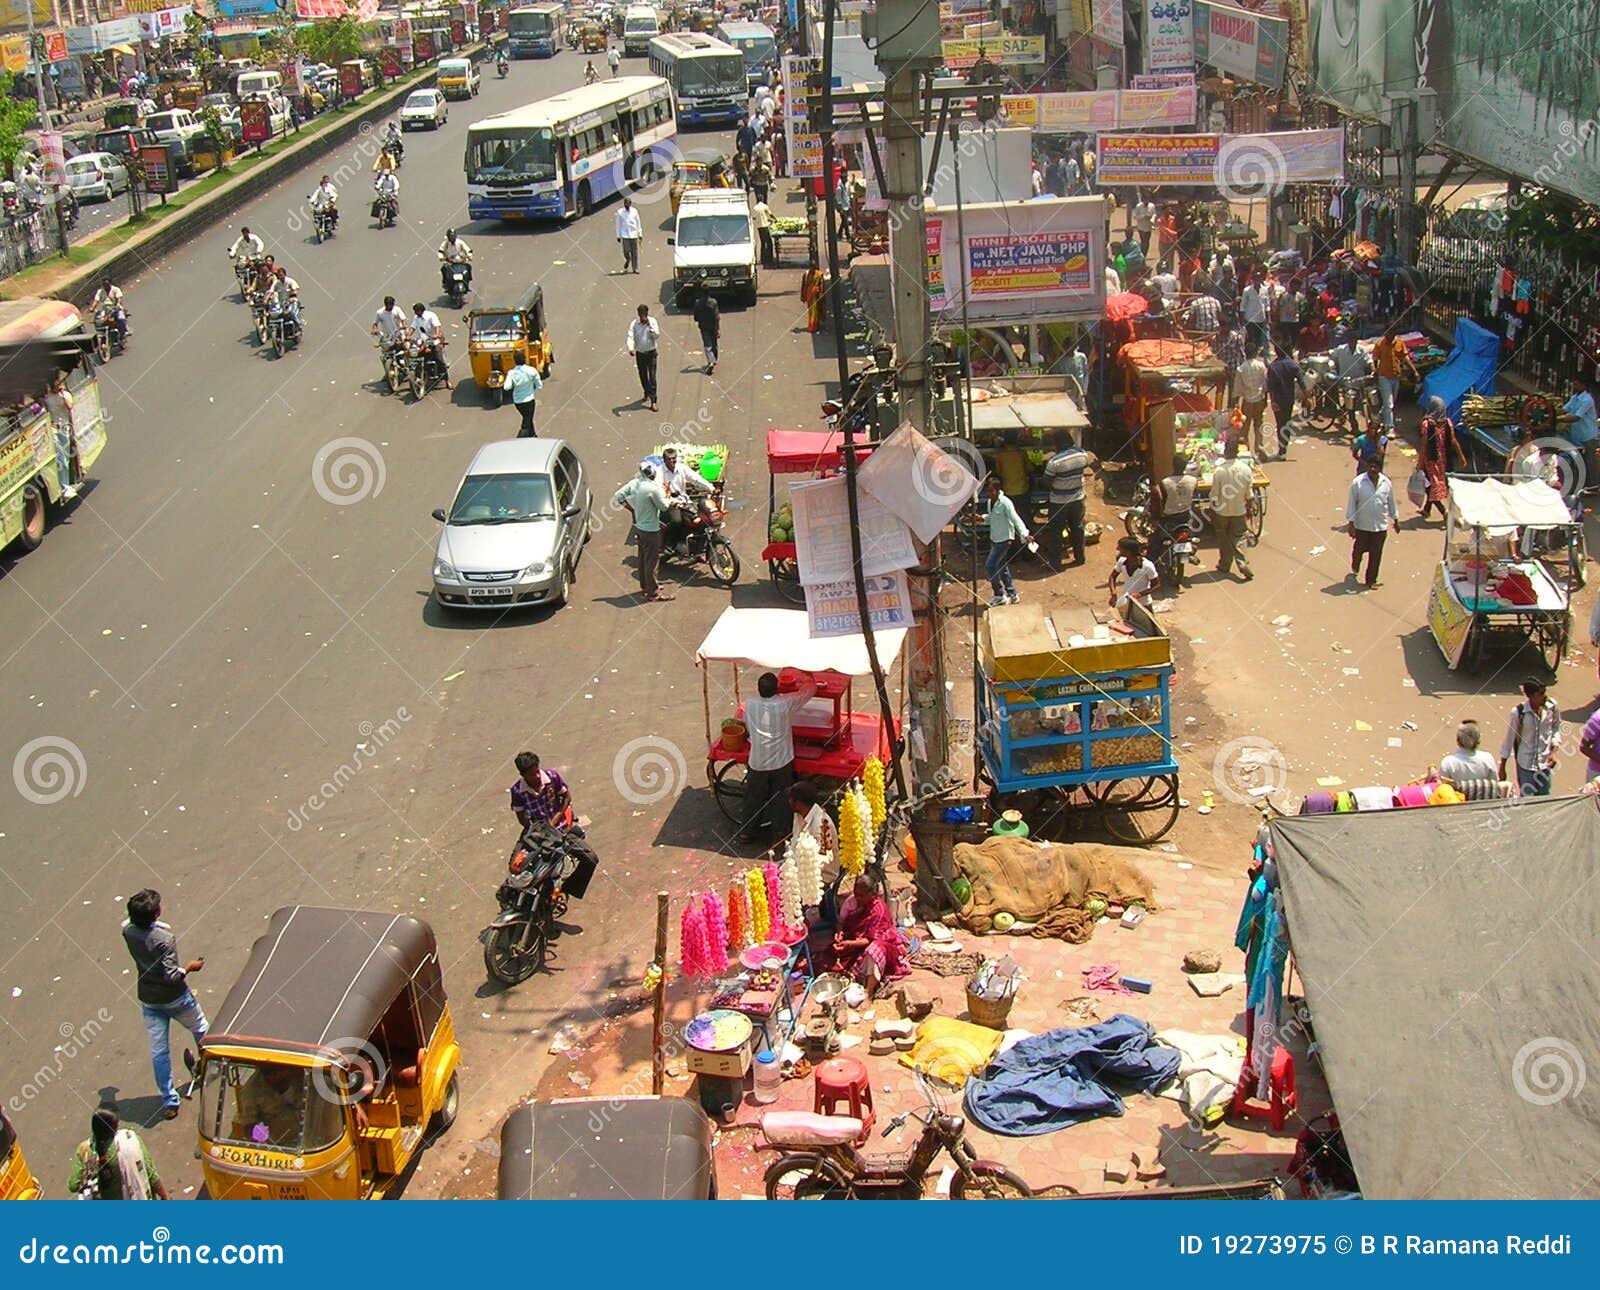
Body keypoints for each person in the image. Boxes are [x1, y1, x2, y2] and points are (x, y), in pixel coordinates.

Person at [122, 889, 206, 1120]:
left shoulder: (128, 932)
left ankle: (170, 1100)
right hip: (176, 999)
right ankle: (208, 1066)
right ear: (157, 913)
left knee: (159, 1052)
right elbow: (171, 976)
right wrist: (189, 967)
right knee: (201, 1029)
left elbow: (128, 924)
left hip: (149, 999)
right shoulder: (164, 940)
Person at [738, 670, 817, 843]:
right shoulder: (784, 703)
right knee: (781, 799)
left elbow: (747, 724)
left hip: (757, 760)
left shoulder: (750, 704)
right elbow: (810, 690)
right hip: (781, 761)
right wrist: (807, 674)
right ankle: (780, 835)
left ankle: (747, 831)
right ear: (777, 689)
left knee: (753, 796)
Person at [829, 874, 908, 997]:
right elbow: (842, 923)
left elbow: (870, 940)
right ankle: (861, 970)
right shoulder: (852, 902)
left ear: (872, 894)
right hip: (857, 941)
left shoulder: (878, 910)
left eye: (861, 895)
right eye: (855, 893)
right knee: (829, 954)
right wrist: (839, 933)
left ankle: (869, 991)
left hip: (882, 944)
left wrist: (849, 944)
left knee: (874, 950)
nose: (857, 897)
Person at [68, 1109, 167, 1200]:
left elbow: (73, 1186)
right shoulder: (131, 1141)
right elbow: (151, 1175)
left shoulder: (84, 1150)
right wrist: (164, 1196)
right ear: (115, 1127)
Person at [612, 463, 673, 601]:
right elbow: (663, 507)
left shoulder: (635, 484)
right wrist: (668, 494)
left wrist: (631, 510)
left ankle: (646, 586)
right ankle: (653, 593)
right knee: (652, 561)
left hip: (639, 527)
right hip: (651, 530)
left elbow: (618, 496)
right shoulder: (652, 488)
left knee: (643, 558)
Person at [1497, 679, 1562, 797]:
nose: (1544, 696)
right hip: (1525, 766)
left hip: (1544, 765)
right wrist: (1502, 767)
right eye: (1540, 694)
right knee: (1527, 802)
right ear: (1531, 696)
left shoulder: (1552, 707)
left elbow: (1556, 728)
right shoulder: (1519, 713)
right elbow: (1509, 740)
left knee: (1544, 800)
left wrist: (1554, 751)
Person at [1041, 435, 1095, 567]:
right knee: (1077, 528)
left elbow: (1046, 483)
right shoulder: (1082, 454)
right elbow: (1086, 465)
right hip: (1077, 498)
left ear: (1057, 445)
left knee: (1056, 532)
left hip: (1058, 501)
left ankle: (1055, 564)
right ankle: (1080, 558)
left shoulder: (1054, 462)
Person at [1345, 456, 1398, 589]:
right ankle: (1355, 564)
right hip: (1362, 525)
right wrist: (1351, 523)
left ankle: (1371, 580)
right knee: (1358, 550)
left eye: (1375, 467)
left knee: (1376, 554)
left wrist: (1395, 519)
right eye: (1370, 466)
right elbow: (1352, 503)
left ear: (1380, 468)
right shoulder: (1358, 482)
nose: (1372, 469)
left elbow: (1391, 502)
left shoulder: (1386, 483)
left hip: (1380, 526)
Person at [1210, 438, 1255, 581]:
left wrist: (1212, 509)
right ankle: (1242, 563)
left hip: (1222, 511)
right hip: (1239, 510)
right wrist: (1249, 507)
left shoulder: (1219, 471)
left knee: (1223, 536)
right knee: (1240, 537)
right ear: (1237, 452)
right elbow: (1249, 495)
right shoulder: (1246, 469)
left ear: (1225, 452)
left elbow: (1214, 494)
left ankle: (1225, 564)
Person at [1417, 396, 1464, 521]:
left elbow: (1424, 445)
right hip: (1444, 460)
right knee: (1435, 485)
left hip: (1430, 460)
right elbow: (1453, 441)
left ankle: (1444, 511)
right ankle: (1427, 509)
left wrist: (1420, 462)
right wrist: (1461, 456)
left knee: (1429, 486)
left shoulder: (1426, 424)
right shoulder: (1447, 422)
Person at [982, 476, 1028, 606]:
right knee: (1002, 567)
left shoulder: (1005, 503)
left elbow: (1015, 519)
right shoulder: (991, 502)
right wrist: (981, 518)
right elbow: (991, 518)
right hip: (995, 538)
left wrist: (1025, 533)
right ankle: (1013, 594)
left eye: (992, 491)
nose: (989, 494)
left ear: (998, 490)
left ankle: (999, 594)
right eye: (988, 491)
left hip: (1004, 540)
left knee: (990, 566)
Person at [1371, 324, 1419, 434]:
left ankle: (1378, 419)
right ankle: (1389, 428)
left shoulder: (1400, 343)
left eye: (1392, 333)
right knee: (1389, 403)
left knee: (1391, 402)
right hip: (1384, 376)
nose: (1390, 336)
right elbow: (1375, 358)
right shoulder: (1380, 344)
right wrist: (1376, 371)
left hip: (1396, 376)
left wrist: (1414, 371)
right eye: (1388, 333)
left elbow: (1405, 357)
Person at [510, 750, 571, 829]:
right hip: (538, 832)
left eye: (537, 771)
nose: (537, 776)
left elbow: (567, 797)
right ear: (523, 775)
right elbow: (521, 817)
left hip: (561, 825)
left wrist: (554, 821)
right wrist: (535, 829)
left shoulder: (552, 776)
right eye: (532, 775)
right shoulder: (517, 791)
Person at [1438, 720, 1499, 791]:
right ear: (1478, 740)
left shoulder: (1448, 763)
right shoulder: (1488, 759)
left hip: (1458, 801)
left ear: (1457, 740)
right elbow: (1495, 785)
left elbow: (1442, 789)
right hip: (1483, 800)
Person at [1108, 536, 1158, 619]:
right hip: (1127, 604)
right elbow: (1112, 577)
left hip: (1144, 605)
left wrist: (1139, 594)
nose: (1117, 549)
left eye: (1120, 548)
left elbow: (1156, 585)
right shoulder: (1122, 561)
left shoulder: (1147, 566)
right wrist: (1113, 594)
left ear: (1128, 552)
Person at [1563, 374, 1597, 494]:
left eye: (1577, 384)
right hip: (1577, 436)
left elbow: (1576, 417)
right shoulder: (1574, 398)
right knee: (1579, 461)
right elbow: (1564, 409)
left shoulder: (1587, 400)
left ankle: (1594, 487)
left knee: (1590, 462)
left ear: (1583, 385)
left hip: (1588, 436)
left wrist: (1557, 419)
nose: (1574, 386)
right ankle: (1582, 484)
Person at [1235, 347, 1270, 460]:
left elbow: (1238, 388)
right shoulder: (1261, 366)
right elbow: (1265, 384)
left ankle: (1246, 450)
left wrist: (1236, 403)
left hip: (1247, 401)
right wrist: (1265, 399)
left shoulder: (1241, 368)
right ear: (1255, 353)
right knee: (1258, 424)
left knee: (1245, 426)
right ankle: (1259, 448)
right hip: (1259, 399)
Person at [1265, 347, 1300, 459]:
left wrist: (1273, 401)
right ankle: (1284, 448)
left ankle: (1282, 449)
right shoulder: (1293, 365)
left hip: (1278, 400)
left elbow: (1270, 386)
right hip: (1289, 399)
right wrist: (1306, 396)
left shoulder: (1272, 367)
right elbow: (1301, 381)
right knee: (1287, 422)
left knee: (1280, 424)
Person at [789, 779, 837, 860]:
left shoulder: (821, 824)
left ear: (798, 803)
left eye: (790, 798)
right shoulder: (798, 815)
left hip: (819, 870)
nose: (788, 801)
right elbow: (794, 845)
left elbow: (821, 859)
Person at [626, 303, 660, 410]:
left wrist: (649, 325)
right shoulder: (634, 324)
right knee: (643, 376)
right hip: (640, 354)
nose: (642, 316)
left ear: (647, 313)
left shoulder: (653, 321)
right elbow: (630, 336)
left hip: (651, 353)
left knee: (652, 377)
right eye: (640, 314)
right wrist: (630, 348)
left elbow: (657, 335)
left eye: (644, 314)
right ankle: (647, 391)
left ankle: (653, 401)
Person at [409, 301, 450, 388]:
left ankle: (447, 381)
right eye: (415, 312)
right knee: (415, 356)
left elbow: (437, 326)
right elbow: (412, 327)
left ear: (421, 310)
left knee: (440, 361)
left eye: (416, 311)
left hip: (434, 341)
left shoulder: (431, 316)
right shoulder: (416, 318)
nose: (415, 313)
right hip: (423, 342)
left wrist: (437, 334)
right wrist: (408, 336)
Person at [504, 354, 542, 436]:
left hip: (518, 402)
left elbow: (507, 387)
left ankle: (533, 436)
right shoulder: (531, 370)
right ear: (525, 359)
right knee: (526, 422)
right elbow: (539, 385)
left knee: (528, 419)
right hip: (529, 400)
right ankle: (520, 438)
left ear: (515, 361)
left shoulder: (511, 373)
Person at [90, 277, 127, 345]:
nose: (106, 286)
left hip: (115, 308)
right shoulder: (100, 291)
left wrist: (118, 305)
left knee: (121, 319)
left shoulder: (116, 289)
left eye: (107, 284)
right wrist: (92, 308)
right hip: (105, 310)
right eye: (104, 284)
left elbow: (119, 298)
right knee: (98, 321)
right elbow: (96, 301)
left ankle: (123, 334)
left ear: (110, 283)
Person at [693, 289, 720, 374]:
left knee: (708, 345)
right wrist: (718, 328)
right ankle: (713, 360)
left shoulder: (698, 303)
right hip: (713, 326)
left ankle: (711, 361)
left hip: (704, 327)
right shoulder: (713, 302)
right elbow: (717, 317)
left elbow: (696, 317)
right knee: (714, 344)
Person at [371, 294, 406, 359]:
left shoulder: (397, 309)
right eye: (389, 305)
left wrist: (404, 325)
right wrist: (374, 330)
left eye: (392, 304)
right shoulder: (379, 312)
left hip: (398, 333)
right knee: (385, 350)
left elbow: (403, 319)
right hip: (387, 336)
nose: (391, 306)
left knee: (406, 346)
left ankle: (407, 363)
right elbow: (375, 323)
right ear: (386, 304)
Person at [438, 228, 472, 293]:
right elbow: (440, 251)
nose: (452, 238)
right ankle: (445, 284)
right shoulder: (445, 244)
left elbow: (467, 249)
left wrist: (469, 256)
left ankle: (467, 282)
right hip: (450, 261)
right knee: (443, 269)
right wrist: (441, 257)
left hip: (460, 260)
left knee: (468, 267)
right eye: (450, 236)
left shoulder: (460, 242)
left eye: (453, 236)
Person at [267, 266, 300, 333]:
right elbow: (271, 291)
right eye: (279, 275)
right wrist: (266, 299)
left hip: (291, 302)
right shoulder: (276, 283)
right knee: (275, 315)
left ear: (285, 274)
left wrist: (292, 296)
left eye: (281, 275)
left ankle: (298, 325)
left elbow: (295, 289)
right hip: (282, 304)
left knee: (291, 313)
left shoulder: (290, 281)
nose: (280, 276)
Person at [615, 196, 642, 273]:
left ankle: (635, 268)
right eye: (625, 204)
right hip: (625, 235)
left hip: (633, 234)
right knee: (626, 251)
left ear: (630, 204)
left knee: (635, 252)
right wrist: (618, 236)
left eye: (628, 204)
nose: (626, 205)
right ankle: (628, 259)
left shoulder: (634, 211)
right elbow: (618, 225)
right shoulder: (620, 212)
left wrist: (640, 234)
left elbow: (638, 223)